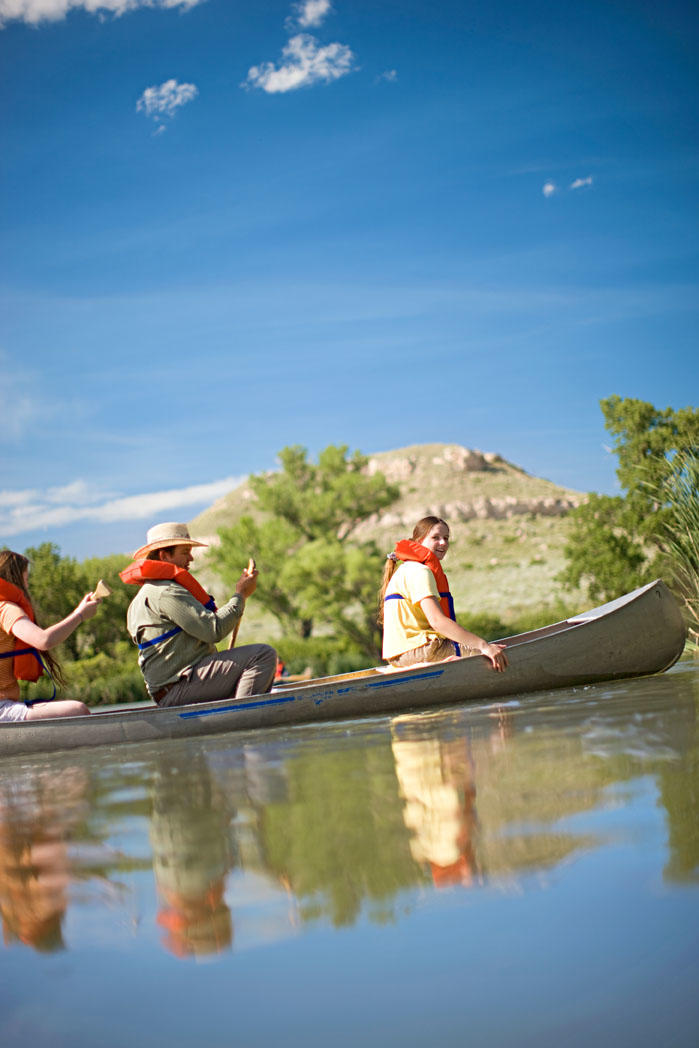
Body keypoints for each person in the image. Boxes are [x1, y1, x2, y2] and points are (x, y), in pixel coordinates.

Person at [120, 522, 277, 707]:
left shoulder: (142, 597)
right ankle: (242, 717)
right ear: (164, 555)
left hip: (172, 688)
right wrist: (240, 595)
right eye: (185, 552)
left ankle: (235, 713)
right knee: (262, 655)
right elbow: (214, 631)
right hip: (179, 688)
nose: (191, 558)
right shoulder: (166, 592)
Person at [378, 516, 508, 671]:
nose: (443, 543)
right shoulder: (420, 571)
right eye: (436, 538)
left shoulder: (405, 569)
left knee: (484, 647)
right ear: (418, 541)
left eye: (446, 538)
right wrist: (484, 646)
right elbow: (437, 621)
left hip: (398, 655)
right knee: (490, 653)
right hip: (419, 650)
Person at [0, 550, 100, 722]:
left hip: (5, 704)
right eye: (26, 579)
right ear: (15, 578)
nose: (27, 586)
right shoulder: (6, 609)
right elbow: (43, 640)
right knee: (78, 710)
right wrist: (80, 615)